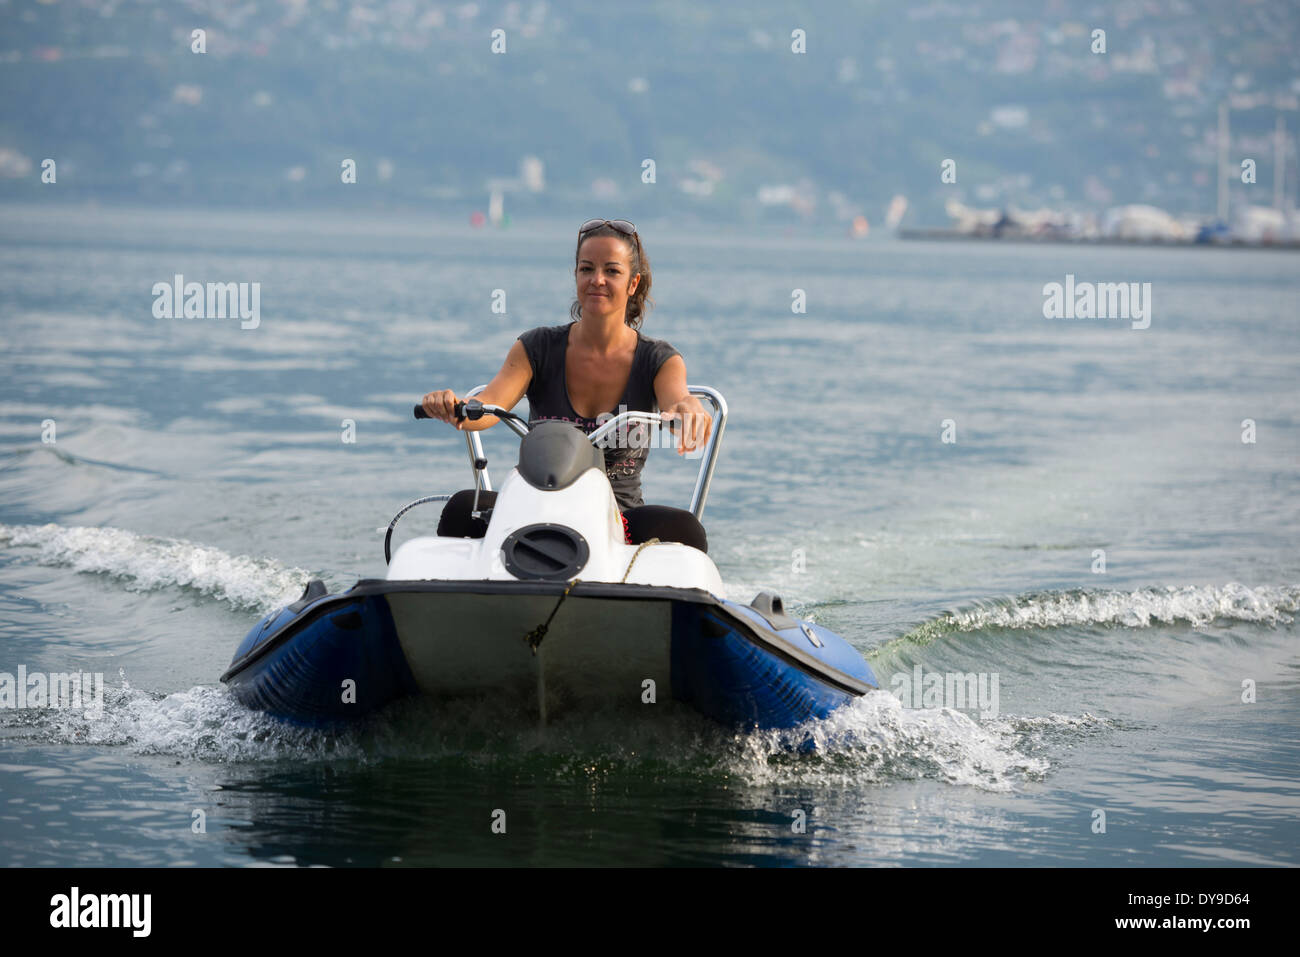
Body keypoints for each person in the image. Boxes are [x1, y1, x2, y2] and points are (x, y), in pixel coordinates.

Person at [421, 218, 712, 551]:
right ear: (576, 276)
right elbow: (488, 407)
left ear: (633, 283)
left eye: (612, 271)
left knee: (685, 529)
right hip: (537, 506)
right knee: (462, 508)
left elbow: (677, 402)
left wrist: (688, 409)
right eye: (587, 269)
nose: (597, 280)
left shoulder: (658, 358)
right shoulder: (537, 347)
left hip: (618, 518)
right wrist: (452, 406)